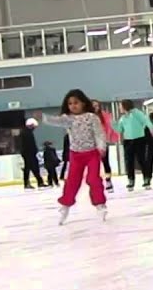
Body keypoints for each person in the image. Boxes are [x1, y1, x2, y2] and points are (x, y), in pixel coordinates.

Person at [36, 90, 108, 224]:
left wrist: (101, 147)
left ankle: (100, 205)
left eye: (76, 103)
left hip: (92, 153)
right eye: (70, 103)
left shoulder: (92, 117)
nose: (73, 106)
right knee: (72, 182)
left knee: (93, 179)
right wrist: (44, 117)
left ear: (83, 103)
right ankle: (65, 206)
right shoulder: (68, 118)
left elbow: (99, 133)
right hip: (75, 155)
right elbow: (55, 121)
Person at [115, 99, 153, 190]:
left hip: (139, 139)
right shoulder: (123, 118)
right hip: (128, 141)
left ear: (125, 106)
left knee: (141, 160)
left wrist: (152, 128)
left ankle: (146, 178)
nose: (119, 108)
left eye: (120, 106)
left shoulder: (136, 113)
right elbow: (119, 130)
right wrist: (113, 125)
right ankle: (131, 180)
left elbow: (146, 120)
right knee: (129, 162)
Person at [92, 100, 120, 192]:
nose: (96, 107)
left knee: (105, 162)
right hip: (91, 144)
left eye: (97, 105)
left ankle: (108, 181)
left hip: (103, 143)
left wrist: (108, 138)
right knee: (93, 165)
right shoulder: (87, 116)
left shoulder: (104, 115)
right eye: (93, 106)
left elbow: (110, 127)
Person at [20, 117, 46, 190]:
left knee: (31, 168)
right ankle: (35, 182)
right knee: (30, 168)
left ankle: (38, 182)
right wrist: (34, 151)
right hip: (29, 153)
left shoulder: (26, 132)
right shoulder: (27, 133)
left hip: (28, 153)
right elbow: (30, 144)